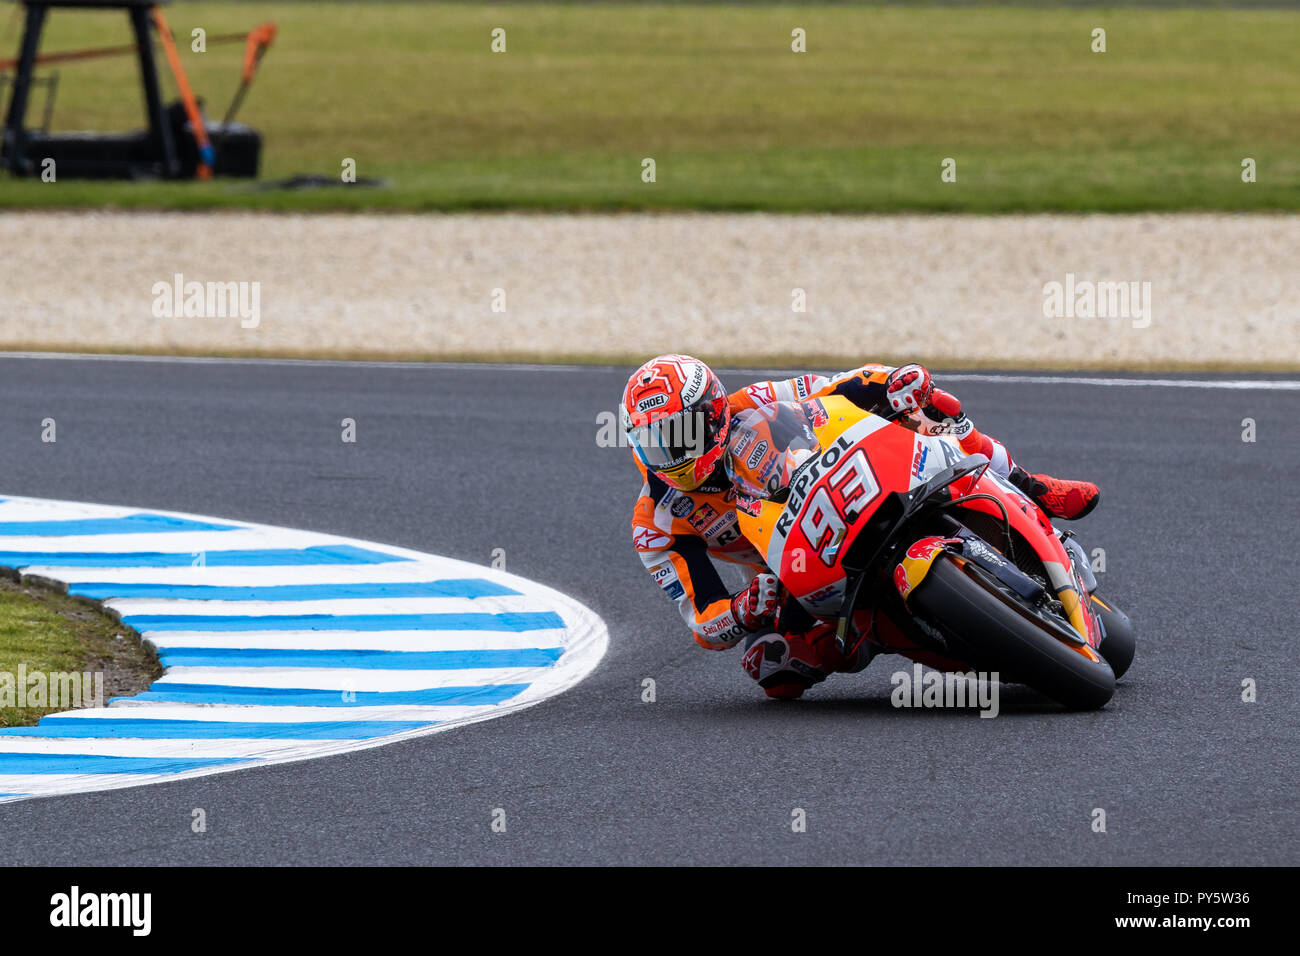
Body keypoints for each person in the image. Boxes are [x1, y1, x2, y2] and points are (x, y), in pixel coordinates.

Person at [622, 353, 1100, 698]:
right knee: (771, 668)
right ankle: (910, 635)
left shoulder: (755, 404)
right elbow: (703, 620)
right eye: (656, 442)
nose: (673, 455)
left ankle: (1029, 485)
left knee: (930, 414)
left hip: (847, 482)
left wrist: (894, 382)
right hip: (791, 563)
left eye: (680, 435)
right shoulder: (657, 521)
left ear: (714, 414)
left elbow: (839, 386)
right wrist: (745, 609)